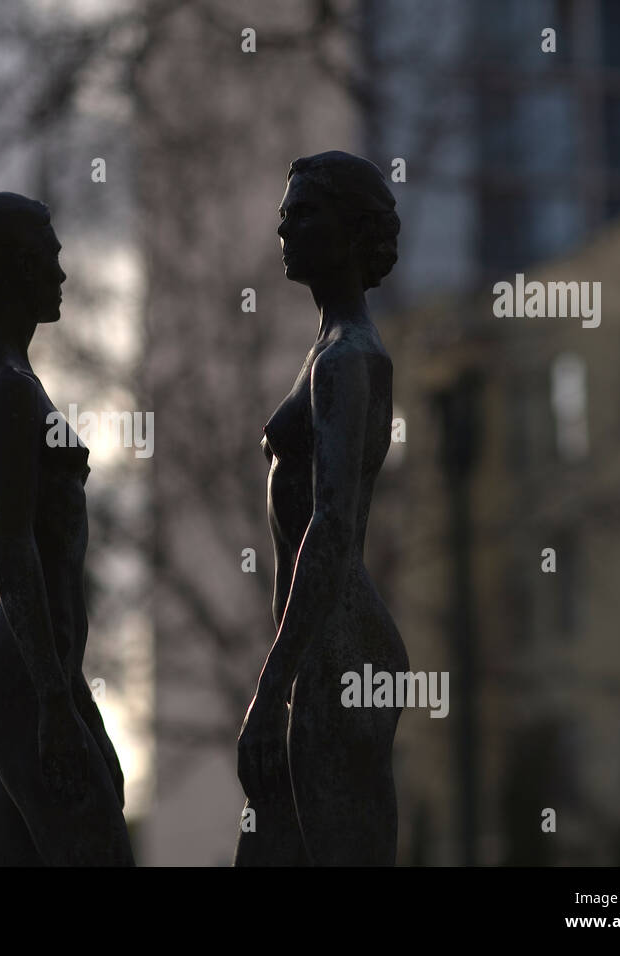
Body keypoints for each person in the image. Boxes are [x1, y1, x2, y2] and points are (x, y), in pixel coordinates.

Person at [0, 193, 132, 866]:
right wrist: (57, 701)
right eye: (50, 260)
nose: (62, 275)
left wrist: (71, 694)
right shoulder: (9, 389)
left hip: (28, 669)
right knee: (99, 852)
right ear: (17, 269)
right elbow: (13, 546)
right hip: (24, 674)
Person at [235, 152, 407, 865]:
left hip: (339, 655)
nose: (283, 224)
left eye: (303, 211)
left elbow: (332, 524)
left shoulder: (347, 360)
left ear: (350, 231)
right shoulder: (326, 351)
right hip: (318, 653)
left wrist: (273, 682)